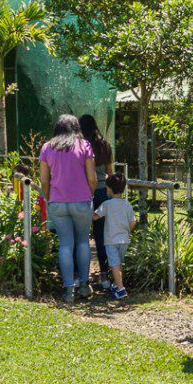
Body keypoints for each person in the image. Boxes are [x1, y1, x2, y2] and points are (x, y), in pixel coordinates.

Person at [40, 114, 98, 302]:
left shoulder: (47, 147)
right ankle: (84, 286)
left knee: (65, 244)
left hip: (57, 202)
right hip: (81, 201)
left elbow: (44, 181)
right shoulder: (84, 145)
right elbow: (92, 178)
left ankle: (68, 290)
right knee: (82, 242)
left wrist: (49, 198)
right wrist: (89, 194)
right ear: (76, 128)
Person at [80, 114, 116, 290]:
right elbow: (110, 172)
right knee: (101, 235)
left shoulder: (80, 147)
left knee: (81, 236)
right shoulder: (105, 146)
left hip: (83, 193)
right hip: (102, 192)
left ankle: (81, 275)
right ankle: (104, 274)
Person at [94, 172, 135, 301]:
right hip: (124, 240)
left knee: (114, 264)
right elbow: (133, 222)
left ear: (110, 189)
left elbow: (95, 216)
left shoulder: (107, 204)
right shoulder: (127, 204)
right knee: (119, 263)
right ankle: (116, 285)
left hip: (111, 240)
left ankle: (121, 289)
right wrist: (127, 231)